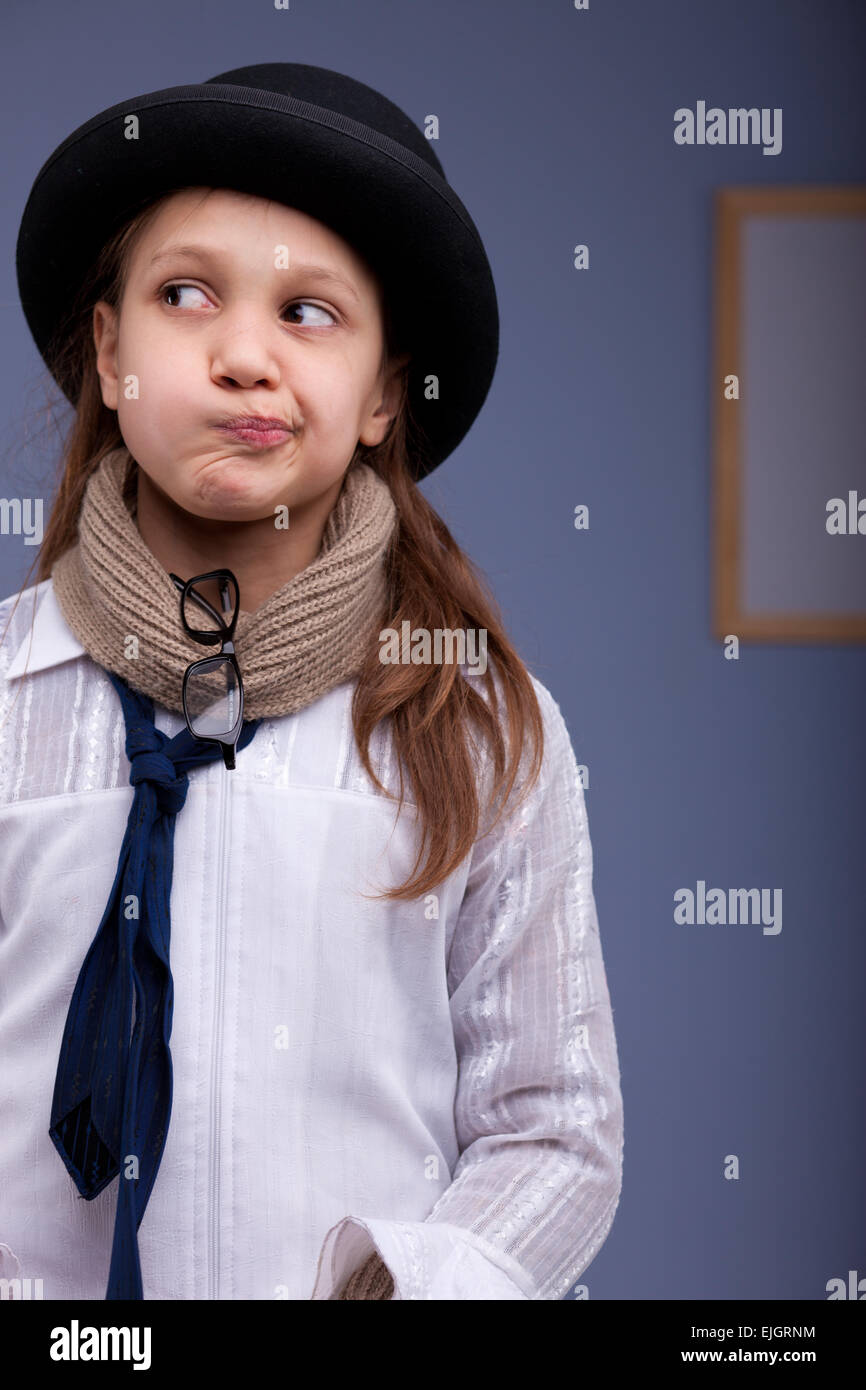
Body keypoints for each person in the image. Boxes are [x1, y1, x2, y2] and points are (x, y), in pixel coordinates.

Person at [0, 62, 623, 1301]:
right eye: (187, 296)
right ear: (111, 352)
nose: (244, 356)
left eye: (310, 313)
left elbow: (553, 1127)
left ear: (386, 391)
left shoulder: (487, 729)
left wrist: (410, 1286)